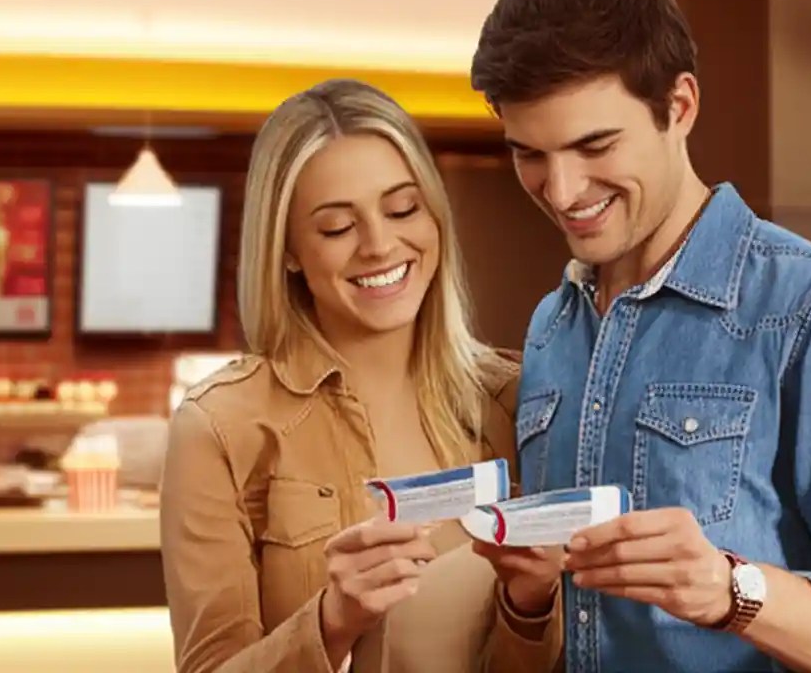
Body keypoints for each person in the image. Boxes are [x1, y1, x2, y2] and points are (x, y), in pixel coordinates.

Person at [467, 0, 811, 672]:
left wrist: (731, 591)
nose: (561, 190)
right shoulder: (551, 328)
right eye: (530, 154)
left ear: (680, 106)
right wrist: (529, 593)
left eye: (595, 146)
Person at [158, 78, 562, 673]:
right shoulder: (220, 428)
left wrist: (530, 607)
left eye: (402, 209)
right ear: (288, 251)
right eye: (336, 228)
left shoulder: (517, 398)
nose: (379, 244)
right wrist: (332, 621)